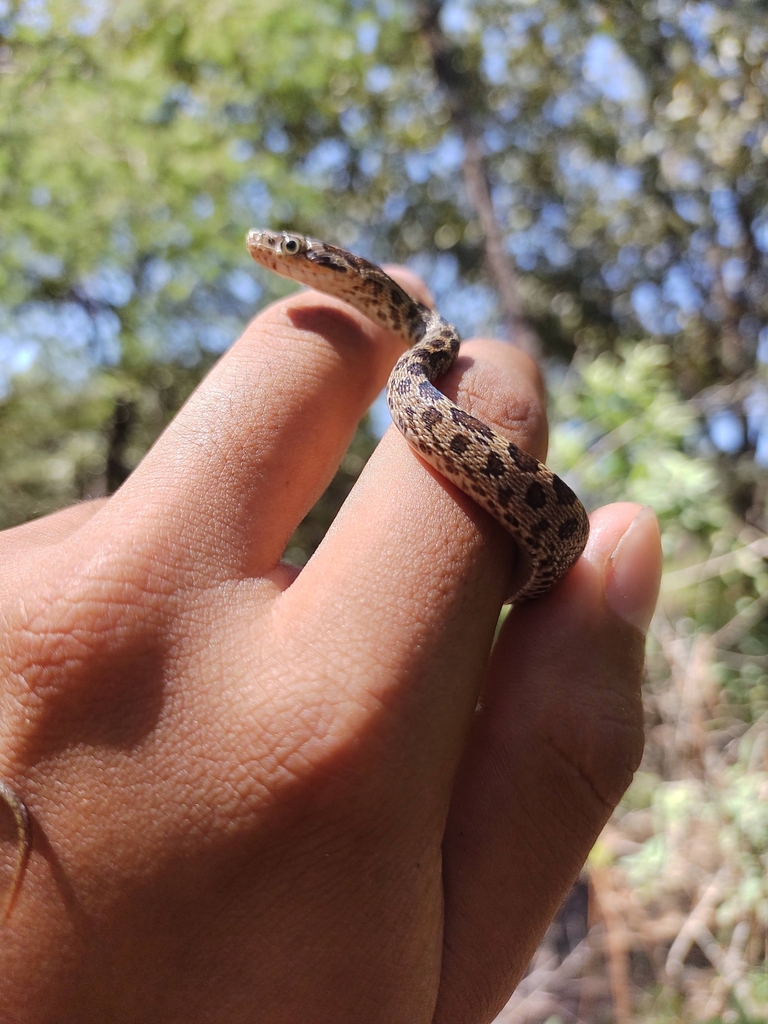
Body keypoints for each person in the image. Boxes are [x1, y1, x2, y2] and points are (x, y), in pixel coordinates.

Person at [0, 266, 661, 1023]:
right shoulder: (418, 367)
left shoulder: (425, 365)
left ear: (356, 284)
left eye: (290, 250)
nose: (270, 253)